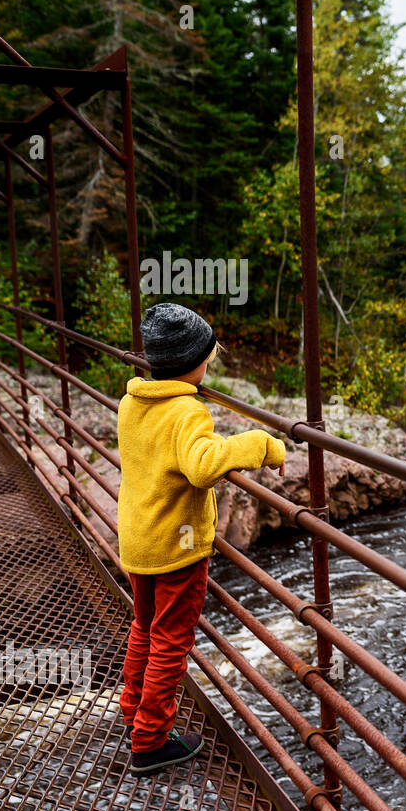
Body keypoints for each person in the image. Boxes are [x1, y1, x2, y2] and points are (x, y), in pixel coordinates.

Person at [117, 302, 286, 776]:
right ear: (195, 362)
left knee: (144, 629)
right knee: (171, 639)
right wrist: (262, 443)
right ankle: (149, 741)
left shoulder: (133, 402)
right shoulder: (186, 411)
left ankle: (134, 715)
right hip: (177, 548)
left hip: (138, 540)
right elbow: (202, 466)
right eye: (209, 356)